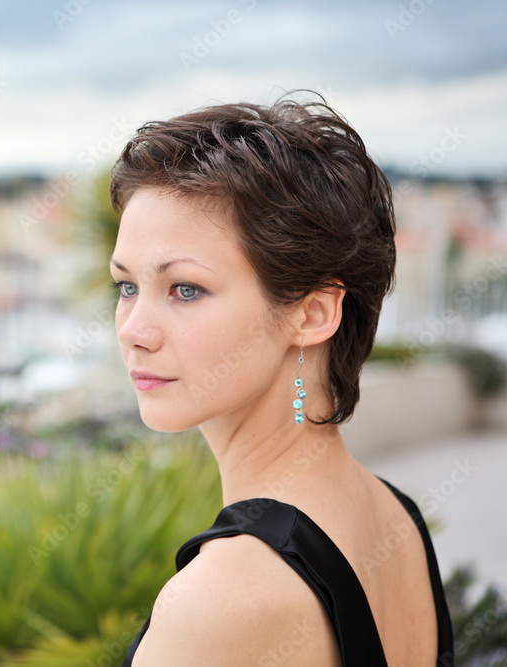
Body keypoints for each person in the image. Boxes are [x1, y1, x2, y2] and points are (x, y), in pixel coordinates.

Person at [108, 92, 454, 666]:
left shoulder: (219, 601)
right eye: (126, 286)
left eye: (185, 289)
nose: (134, 330)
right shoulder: (397, 516)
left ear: (313, 313)